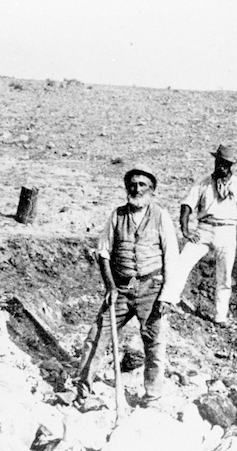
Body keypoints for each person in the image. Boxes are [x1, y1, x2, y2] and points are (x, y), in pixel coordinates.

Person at [74, 164, 179, 407]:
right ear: (126, 188)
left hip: (151, 288)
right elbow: (103, 253)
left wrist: (167, 297)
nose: (137, 188)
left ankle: (152, 396)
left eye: (143, 184)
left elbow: (172, 256)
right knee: (97, 335)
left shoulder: (161, 216)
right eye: (132, 184)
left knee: (154, 343)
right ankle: (81, 389)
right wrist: (110, 286)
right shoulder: (117, 215)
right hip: (122, 288)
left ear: (152, 189)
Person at [170, 145, 237, 326]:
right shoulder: (203, 183)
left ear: (231, 166)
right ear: (215, 162)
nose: (222, 167)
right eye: (219, 163)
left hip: (227, 230)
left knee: (224, 276)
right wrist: (185, 229)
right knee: (183, 262)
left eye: (226, 164)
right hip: (204, 229)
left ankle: (220, 316)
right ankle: (172, 300)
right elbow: (187, 205)